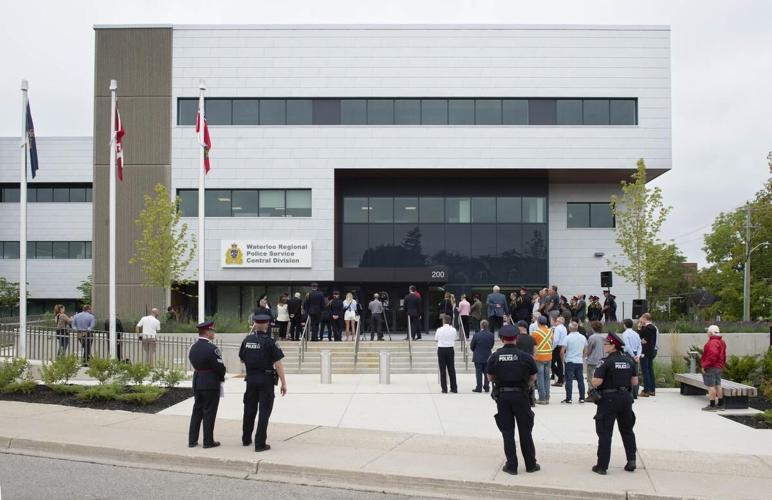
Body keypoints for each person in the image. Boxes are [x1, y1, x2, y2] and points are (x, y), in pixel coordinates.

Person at [486, 325, 540, 475]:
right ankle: (530, 464)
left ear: (502, 339)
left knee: (507, 432)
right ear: (516, 338)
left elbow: (490, 377)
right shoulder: (525, 357)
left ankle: (512, 466)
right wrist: (525, 386)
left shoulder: (495, 357)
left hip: (503, 397)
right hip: (521, 396)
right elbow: (533, 377)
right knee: (525, 431)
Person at [590, 331, 638, 475]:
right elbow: (634, 382)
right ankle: (631, 461)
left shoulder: (606, 361)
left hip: (609, 399)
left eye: (606, 344)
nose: (604, 346)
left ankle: (602, 466)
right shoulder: (629, 360)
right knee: (627, 430)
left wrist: (594, 381)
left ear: (613, 346)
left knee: (605, 433)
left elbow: (597, 381)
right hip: (625, 398)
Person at [240, 313, 288, 451]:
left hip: (251, 379)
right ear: (266, 324)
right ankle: (260, 443)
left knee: (249, 409)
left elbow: (242, 359)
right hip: (265, 380)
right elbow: (278, 364)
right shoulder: (270, 342)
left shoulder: (246, 340)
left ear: (255, 324)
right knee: (264, 411)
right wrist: (283, 383)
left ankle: (246, 438)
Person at [188, 320, 226, 449]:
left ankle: (192, 440)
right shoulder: (212, 349)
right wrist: (221, 377)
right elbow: (220, 368)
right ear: (207, 332)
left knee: (197, 410)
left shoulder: (193, 347)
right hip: (210, 381)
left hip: (197, 379)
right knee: (209, 411)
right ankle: (208, 441)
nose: (213, 333)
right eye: (212, 330)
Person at [701, 325, 727, 411]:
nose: (707, 333)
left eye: (708, 331)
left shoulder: (712, 342)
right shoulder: (721, 342)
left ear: (711, 333)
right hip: (718, 366)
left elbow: (712, 356)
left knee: (711, 386)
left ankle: (712, 405)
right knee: (718, 384)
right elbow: (723, 355)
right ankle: (720, 404)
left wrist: (705, 365)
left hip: (711, 367)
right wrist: (722, 365)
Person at [561, 321, 588, 404]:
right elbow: (586, 350)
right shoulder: (583, 337)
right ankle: (582, 398)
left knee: (569, 380)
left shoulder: (567, 337)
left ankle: (569, 398)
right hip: (579, 361)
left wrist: (563, 360)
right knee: (580, 380)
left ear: (569, 328)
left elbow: (562, 351)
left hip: (570, 361)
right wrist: (582, 357)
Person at [530, 315, 552, 404]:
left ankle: (542, 398)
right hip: (549, 356)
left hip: (539, 357)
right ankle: (547, 397)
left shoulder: (535, 333)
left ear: (538, 322)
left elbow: (533, 345)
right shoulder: (550, 331)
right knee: (547, 378)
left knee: (540, 378)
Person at [435, 315, 458, 393]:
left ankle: (444, 389)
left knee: (442, 370)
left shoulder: (439, 330)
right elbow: (454, 338)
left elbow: (436, 339)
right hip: (450, 349)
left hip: (441, 349)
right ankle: (454, 388)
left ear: (443, 321)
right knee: (451, 369)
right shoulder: (453, 330)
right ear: (450, 321)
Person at [470, 319, 494, 392]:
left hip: (478, 356)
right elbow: (491, 345)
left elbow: (472, 346)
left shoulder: (476, 335)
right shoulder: (491, 335)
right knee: (487, 372)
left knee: (478, 373)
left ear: (481, 326)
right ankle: (486, 387)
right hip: (487, 355)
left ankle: (479, 387)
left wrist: (476, 351)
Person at [621, 319, 643, 399]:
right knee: (635, 374)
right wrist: (638, 356)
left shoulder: (625, 334)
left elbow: (627, 346)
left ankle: (629, 393)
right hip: (636, 354)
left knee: (628, 373)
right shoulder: (636, 334)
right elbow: (640, 346)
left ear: (625, 325)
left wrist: (633, 356)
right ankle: (635, 393)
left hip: (629, 354)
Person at [638, 313, 658, 397]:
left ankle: (646, 390)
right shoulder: (653, 328)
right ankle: (652, 389)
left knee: (645, 371)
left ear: (645, 318)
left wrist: (640, 327)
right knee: (650, 370)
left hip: (644, 352)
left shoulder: (647, 328)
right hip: (650, 351)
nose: (640, 320)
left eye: (641, 318)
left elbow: (640, 335)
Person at [586, 321, 607, 387]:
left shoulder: (592, 337)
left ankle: (591, 393)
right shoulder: (604, 337)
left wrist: (586, 355)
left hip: (592, 360)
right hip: (602, 360)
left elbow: (589, 350)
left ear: (593, 328)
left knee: (590, 379)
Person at [550, 316, 567, 387]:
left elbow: (556, 340)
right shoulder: (564, 328)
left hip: (557, 347)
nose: (555, 322)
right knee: (560, 363)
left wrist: (552, 348)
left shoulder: (557, 328)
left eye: (557, 321)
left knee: (550, 363)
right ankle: (560, 379)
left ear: (559, 322)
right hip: (563, 346)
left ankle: (561, 376)